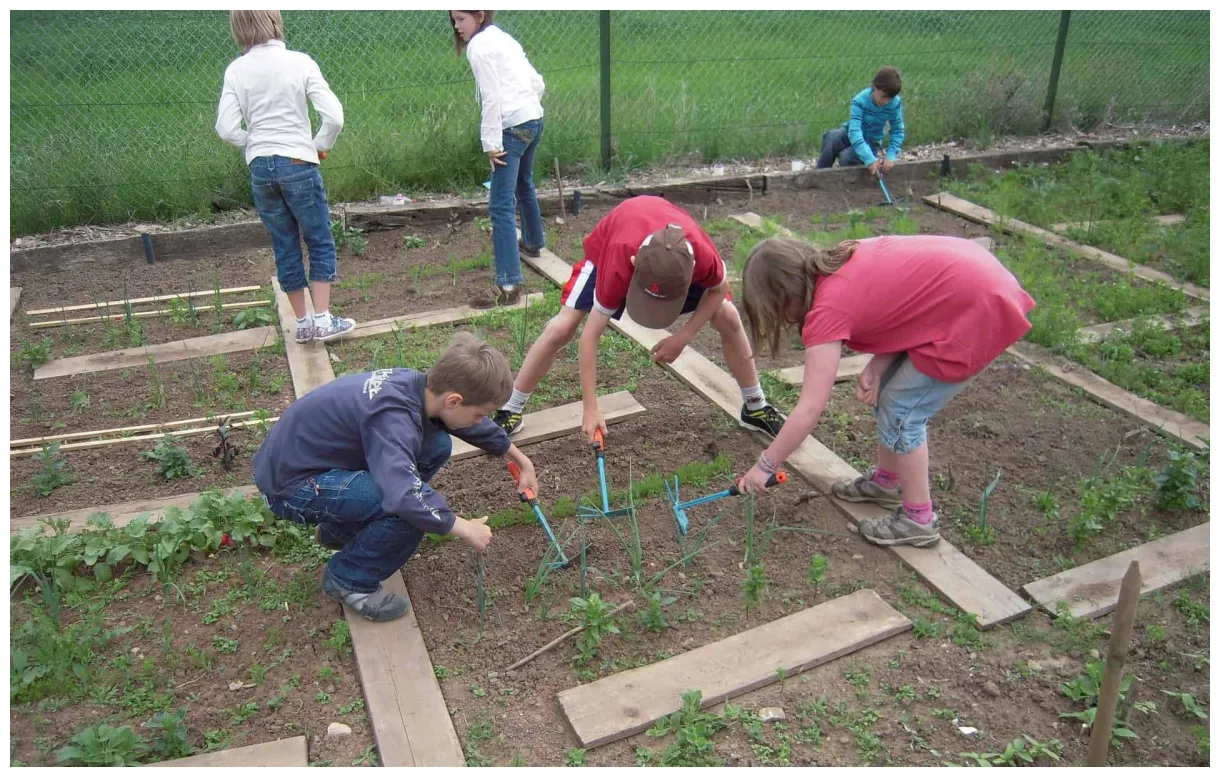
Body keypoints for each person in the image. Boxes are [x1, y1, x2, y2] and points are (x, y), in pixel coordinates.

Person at [735, 235, 1035, 548]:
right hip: (971, 282)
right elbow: (908, 305)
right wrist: (879, 365)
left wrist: (765, 466)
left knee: (904, 410)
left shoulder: (828, 309)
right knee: (891, 394)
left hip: (977, 307)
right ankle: (887, 484)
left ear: (784, 296)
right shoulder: (843, 258)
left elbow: (809, 409)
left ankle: (917, 520)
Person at [253, 333, 539, 622]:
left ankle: (340, 531)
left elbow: (464, 425)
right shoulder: (394, 419)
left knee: (436, 445)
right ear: (453, 400)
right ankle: (349, 579)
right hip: (290, 487)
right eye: (479, 414)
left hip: (305, 462)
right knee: (407, 513)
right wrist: (463, 528)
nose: (479, 421)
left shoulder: (417, 387)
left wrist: (520, 459)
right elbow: (404, 496)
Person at [492, 195, 788, 441]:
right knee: (562, 327)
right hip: (607, 252)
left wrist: (683, 337)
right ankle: (512, 407)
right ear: (634, 268)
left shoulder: (703, 256)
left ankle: (756, 406)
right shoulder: (619, 262)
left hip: (669, 260)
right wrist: (590, 406)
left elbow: (718, 289)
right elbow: (590, 336)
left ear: (690, 276)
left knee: (728, 316)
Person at [216, 10, 355, 344]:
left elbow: (225, 128)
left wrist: (254, 143)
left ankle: (304, 323)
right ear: (275, 22)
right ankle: (323, 319)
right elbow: (334, 117)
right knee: (319, 237)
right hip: (298, 161)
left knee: (285, 243)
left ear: (239, 30)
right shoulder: (300, 62)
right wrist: (318, 145)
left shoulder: (236, 70)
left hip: (261, 168)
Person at [450, 10, 546, 309]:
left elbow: (491, 97)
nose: (457, 26)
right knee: (523, 183)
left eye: (461, 19)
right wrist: (528, 109)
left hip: (511, 127)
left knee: (500, 205)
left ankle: (509, 283)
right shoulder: (502, 37)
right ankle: (532, 242)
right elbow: (537, 81)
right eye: (453, 20)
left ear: (479, 15)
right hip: (533, 119)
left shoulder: (479, 47)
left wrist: (491, 144)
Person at [816, 67, 905, 177]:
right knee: (831, 138)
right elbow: (854, 131)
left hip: (871, 140)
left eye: (891, 98)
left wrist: (891, 155)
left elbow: (897, 130)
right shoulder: (860, 101)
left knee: (847, 157)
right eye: (884, 97)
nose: (887, 102)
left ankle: (850, 182)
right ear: (874, 87)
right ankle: (820, 175)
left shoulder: (895, 104)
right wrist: (868, 157)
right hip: (851, 133)